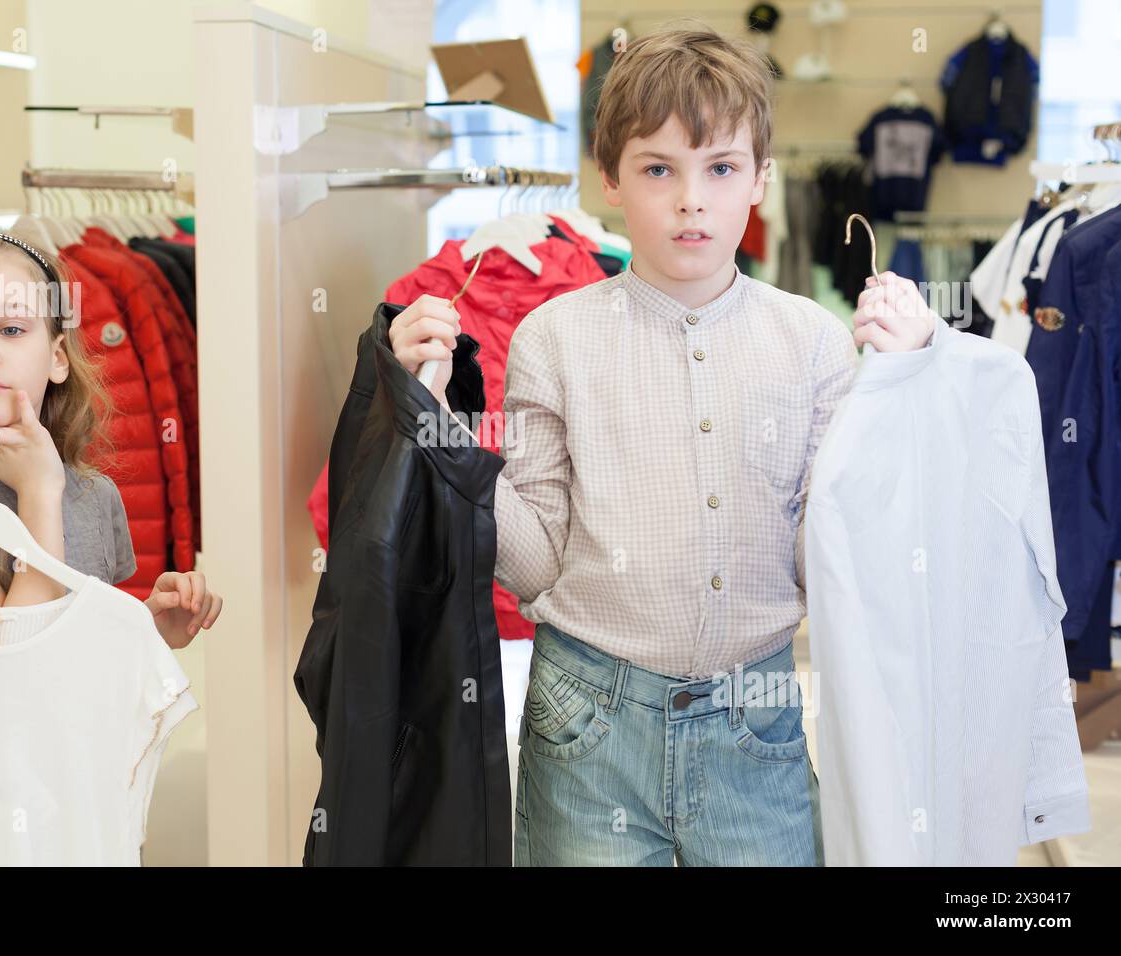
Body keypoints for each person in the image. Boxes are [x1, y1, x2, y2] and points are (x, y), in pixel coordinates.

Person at [389, 21, 936, 865]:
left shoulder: (817, 344)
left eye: (720, 168)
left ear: (760, 178)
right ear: (609, 179)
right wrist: (445, 432)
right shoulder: (552, 338)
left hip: (756, 718)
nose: (692, 199)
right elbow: (535, 565)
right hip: (587, 726)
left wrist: (898, 400)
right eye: (658, 169)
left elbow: (824, 564)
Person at [0, 229, 221, 649]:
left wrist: (153, 629)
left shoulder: (95, 494)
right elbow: (10, 662)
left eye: (12, 329)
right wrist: (38, 491)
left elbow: (81, 647)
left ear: (56, 358)